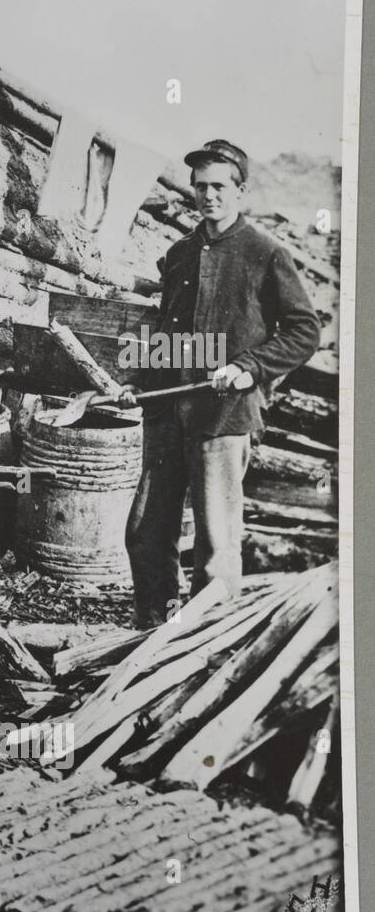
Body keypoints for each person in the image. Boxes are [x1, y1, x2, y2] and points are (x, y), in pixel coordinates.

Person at [124, 140, 320, 628]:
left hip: (224, 416)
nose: (208, 195)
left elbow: (304, 330)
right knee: (146, 531)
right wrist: (138, 381)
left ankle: (203, 643)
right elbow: (166, 331)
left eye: (219, 186)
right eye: (200, 186)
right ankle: (151, 631)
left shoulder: (265, 253)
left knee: (215, 545)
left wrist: (250, 366)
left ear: (240, 191)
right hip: (167, 413)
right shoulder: (180, 254)